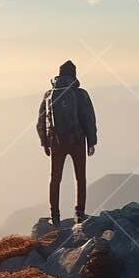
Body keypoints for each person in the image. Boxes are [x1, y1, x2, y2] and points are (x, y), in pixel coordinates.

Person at [36, 60, 97, 223]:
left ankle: (55, 216)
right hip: (77, 140)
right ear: (74, 75)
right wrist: (92, 141)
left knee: (55, 179)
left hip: (56, 142)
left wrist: (45, 142)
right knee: (80, 177)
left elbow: (41, 121)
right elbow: (88, 118)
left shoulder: (49, 95)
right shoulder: (81, 94)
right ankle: (80, 213)